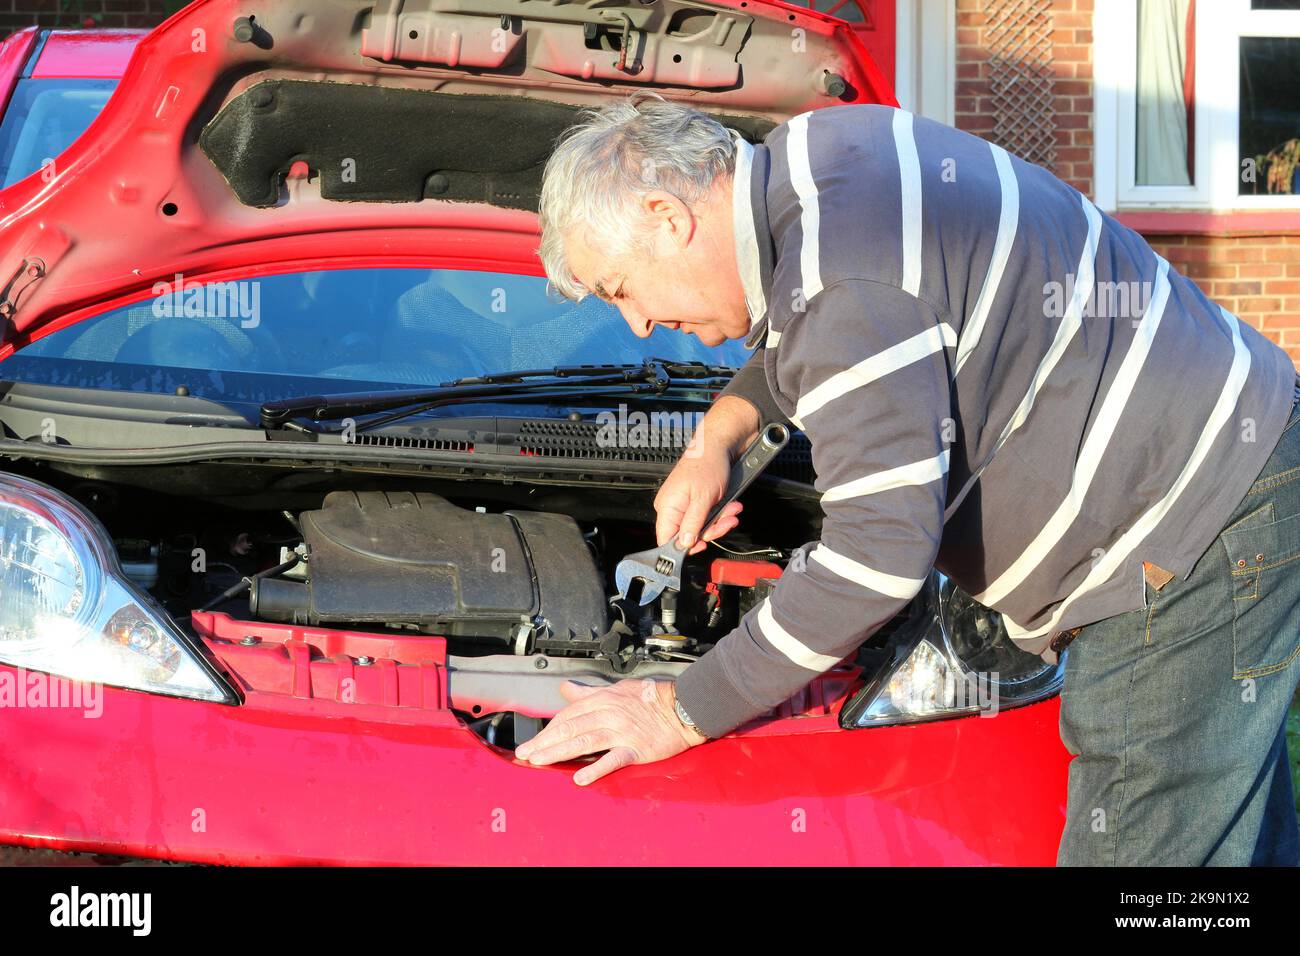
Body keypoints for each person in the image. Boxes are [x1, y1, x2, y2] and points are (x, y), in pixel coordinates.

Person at [513, 93, 1300, 866]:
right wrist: (718, 435)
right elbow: (833, 316)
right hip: (1236, 466)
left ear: (665, 215)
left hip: (1184, 531)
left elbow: (878, 560)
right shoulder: (817, 153)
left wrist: (681, 710)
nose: (639, 324)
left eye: (620, 289)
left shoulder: (841, 289)